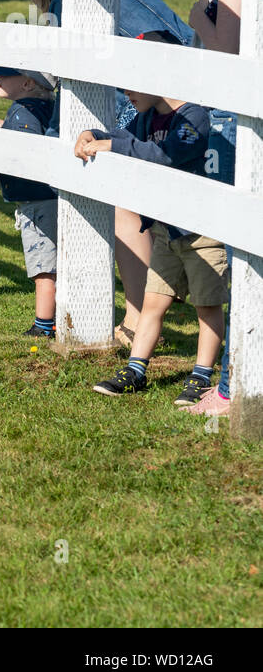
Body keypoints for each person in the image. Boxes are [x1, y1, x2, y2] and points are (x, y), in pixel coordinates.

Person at [1, 0, 198, 349]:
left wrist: (58, 135)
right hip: (180, 88)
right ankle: (147, 306)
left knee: (120, 202)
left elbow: (73, 73)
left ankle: (137, 316)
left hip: (144, 92)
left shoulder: (66, 4)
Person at [75, 33, 227, 403]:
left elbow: (167, 155)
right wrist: (91, 133)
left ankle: (201, 375)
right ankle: (136, 369)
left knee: (207, 305)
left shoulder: (195, 116)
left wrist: (113, 144)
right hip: (166, 229)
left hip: (202, 230)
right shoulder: (146, 116)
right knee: (154, 301)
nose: (126, 91)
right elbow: (119, 136)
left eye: (132, 79)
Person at [176, 0, 263, 415]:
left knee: (242, 246)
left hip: (239, 118)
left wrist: (196, 13)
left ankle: (234, 386)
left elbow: (227, 45)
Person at [0, 68, 59, 338]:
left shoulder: (22, 110)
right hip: (47, 198)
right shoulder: (42, 108)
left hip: (37, 200)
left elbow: (25, 147)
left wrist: (1, 132)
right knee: (50, 261)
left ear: (28, 83)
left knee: (43, 266)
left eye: (6, 75)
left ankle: (44, 324)